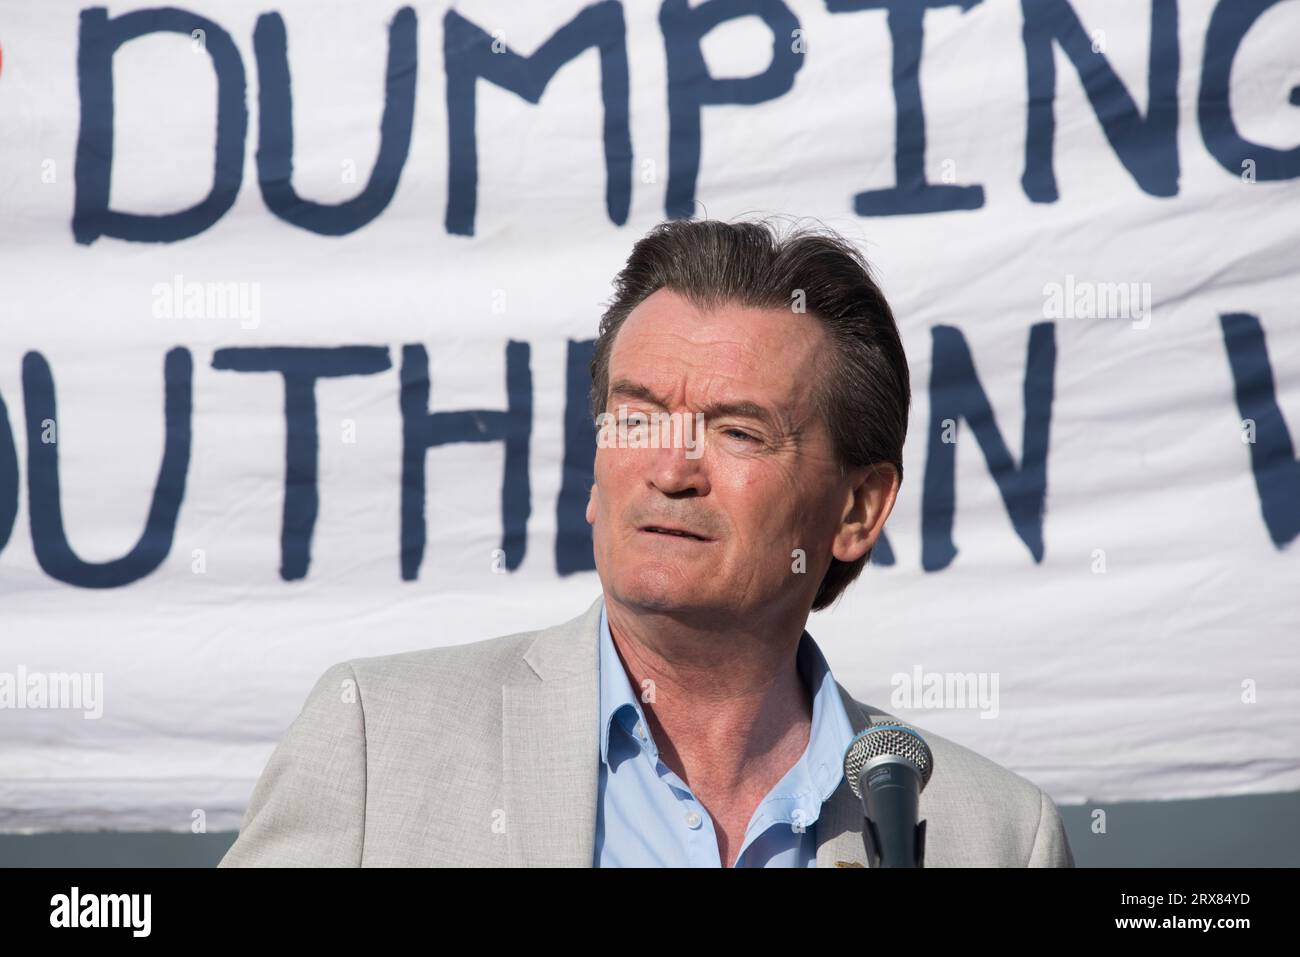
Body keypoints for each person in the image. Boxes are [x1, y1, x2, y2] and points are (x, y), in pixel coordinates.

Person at [219, 217, 1074, 868]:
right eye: (637, 417)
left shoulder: (995, 833)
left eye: (739, 431)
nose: (671, 469)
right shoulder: (378, 741)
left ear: (858, 506)